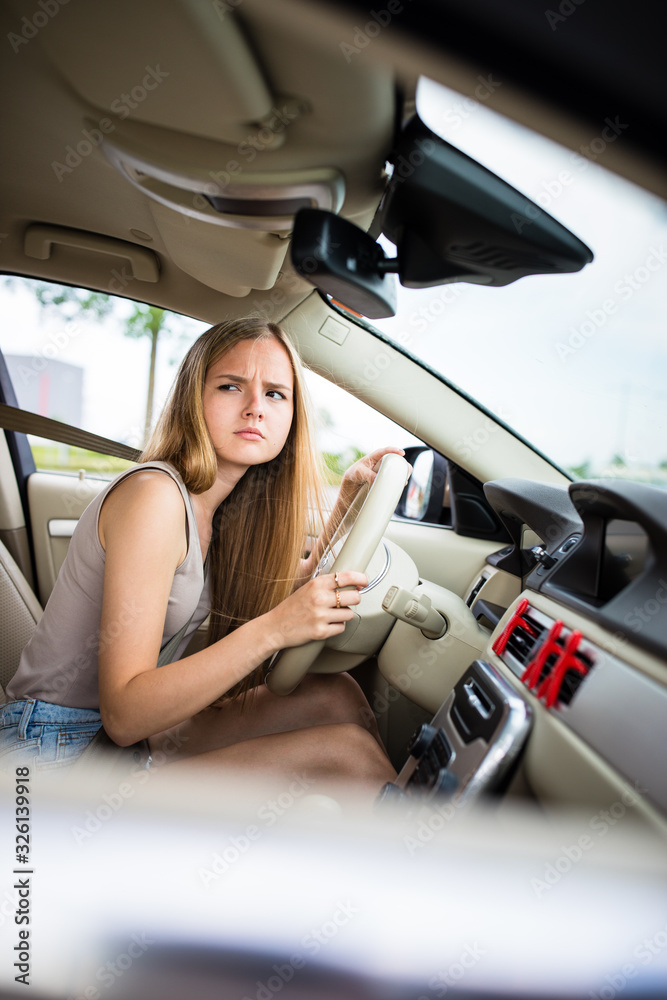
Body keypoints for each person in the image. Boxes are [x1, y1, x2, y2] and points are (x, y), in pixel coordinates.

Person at [1, 318, 401, 797]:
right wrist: (275, 629)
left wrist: (345, 505)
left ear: (293, 416)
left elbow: (287, 589)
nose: (255, 408)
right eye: (231, 386)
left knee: (336, 697)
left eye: (275, 394)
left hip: (113, 742)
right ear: (194, 398)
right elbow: (124, 715)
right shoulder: (155, 498)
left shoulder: (216, 510)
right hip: (51, 754)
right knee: (349, 758)